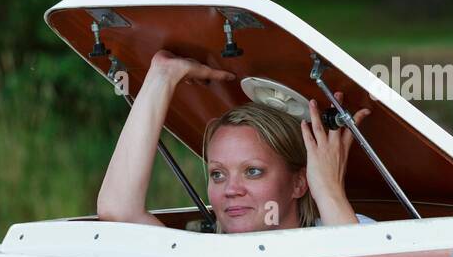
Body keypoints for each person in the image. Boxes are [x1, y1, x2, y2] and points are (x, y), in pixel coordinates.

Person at [97, 49, 370, 233]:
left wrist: (330, 192)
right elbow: (118, 210)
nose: (231, 189)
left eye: (252, 171)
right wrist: (163, 75)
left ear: (299, 183)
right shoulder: (206, 255)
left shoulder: (347, 229)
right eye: (217, 174)